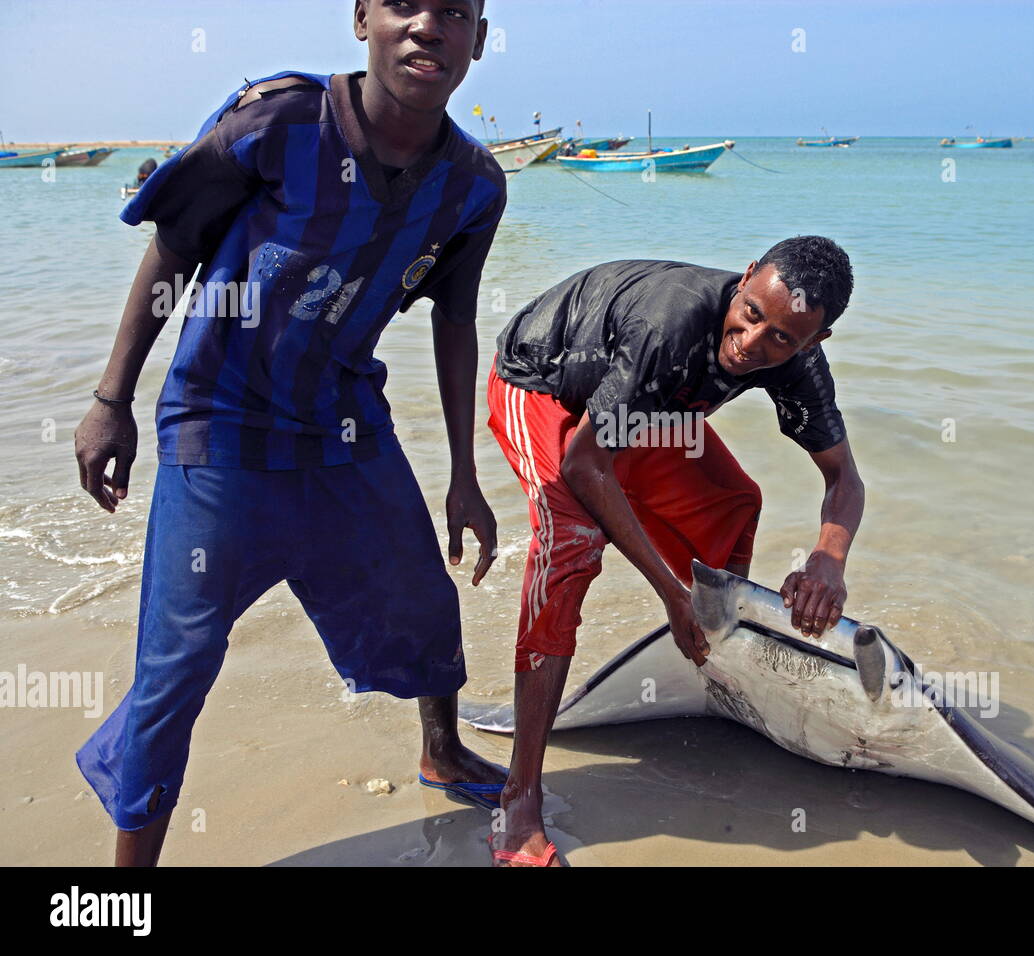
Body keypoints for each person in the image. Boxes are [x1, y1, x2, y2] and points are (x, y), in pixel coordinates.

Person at [74, 0, 505, 866]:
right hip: (220, 423)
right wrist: (110, 398)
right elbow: (171, 248)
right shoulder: (276, 119)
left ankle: (442, 750)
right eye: (405, 5)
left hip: (345, 424)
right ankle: (130, 881)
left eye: (454, 12)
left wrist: (466, 473)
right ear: (362, 20)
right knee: (178, 663)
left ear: (478, 41)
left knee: (425, 599)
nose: (429, 26)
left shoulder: (473, 184)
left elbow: (453, 322)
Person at [486, 237, 865, 865]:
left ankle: (716, 670)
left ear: (812, 344)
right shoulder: (672, 321)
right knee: (573, 546)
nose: (751, 343)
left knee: (734, 503)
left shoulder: (797, 359)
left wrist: (828, 557)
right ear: (745, 278)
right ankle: (519, 798)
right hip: (542, 383)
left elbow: (844, 480)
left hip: (643, 409)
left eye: (781, 339)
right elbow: (586, 463)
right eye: (750, 314)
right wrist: (671, 591)